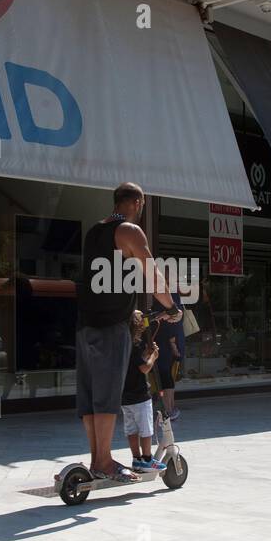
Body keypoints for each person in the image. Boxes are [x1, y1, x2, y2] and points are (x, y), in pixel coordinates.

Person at [75, 182, 181, 483]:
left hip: (85, 325)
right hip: (110, 327)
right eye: (143, 204)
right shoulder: (130, 232)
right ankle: (105, 462)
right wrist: (171, 306)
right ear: (135, 203)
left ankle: (99, 459)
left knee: (91, 396)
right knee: (108, 395)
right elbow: (153, 274)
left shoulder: (94, 231)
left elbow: (100, 277)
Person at [122, 310, 166, 473]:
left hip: (125, 395)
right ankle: (147, 459)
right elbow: (144, 367)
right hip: (139, 394)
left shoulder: (125, 343)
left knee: (131, 429)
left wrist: (147, 353)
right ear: (138, 324)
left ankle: (137, 459)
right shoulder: (136, 343)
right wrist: (154, 356)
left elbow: (137, 361)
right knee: (146, 429)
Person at [155, 291, 185, 420]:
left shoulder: (169, 296)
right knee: (166, 375)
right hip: (164, 341)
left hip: (165, 342)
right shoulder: (167, 294)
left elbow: (174, 321)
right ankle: (169, 408)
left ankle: (168, 409)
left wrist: (173, 344)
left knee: (165, 375)